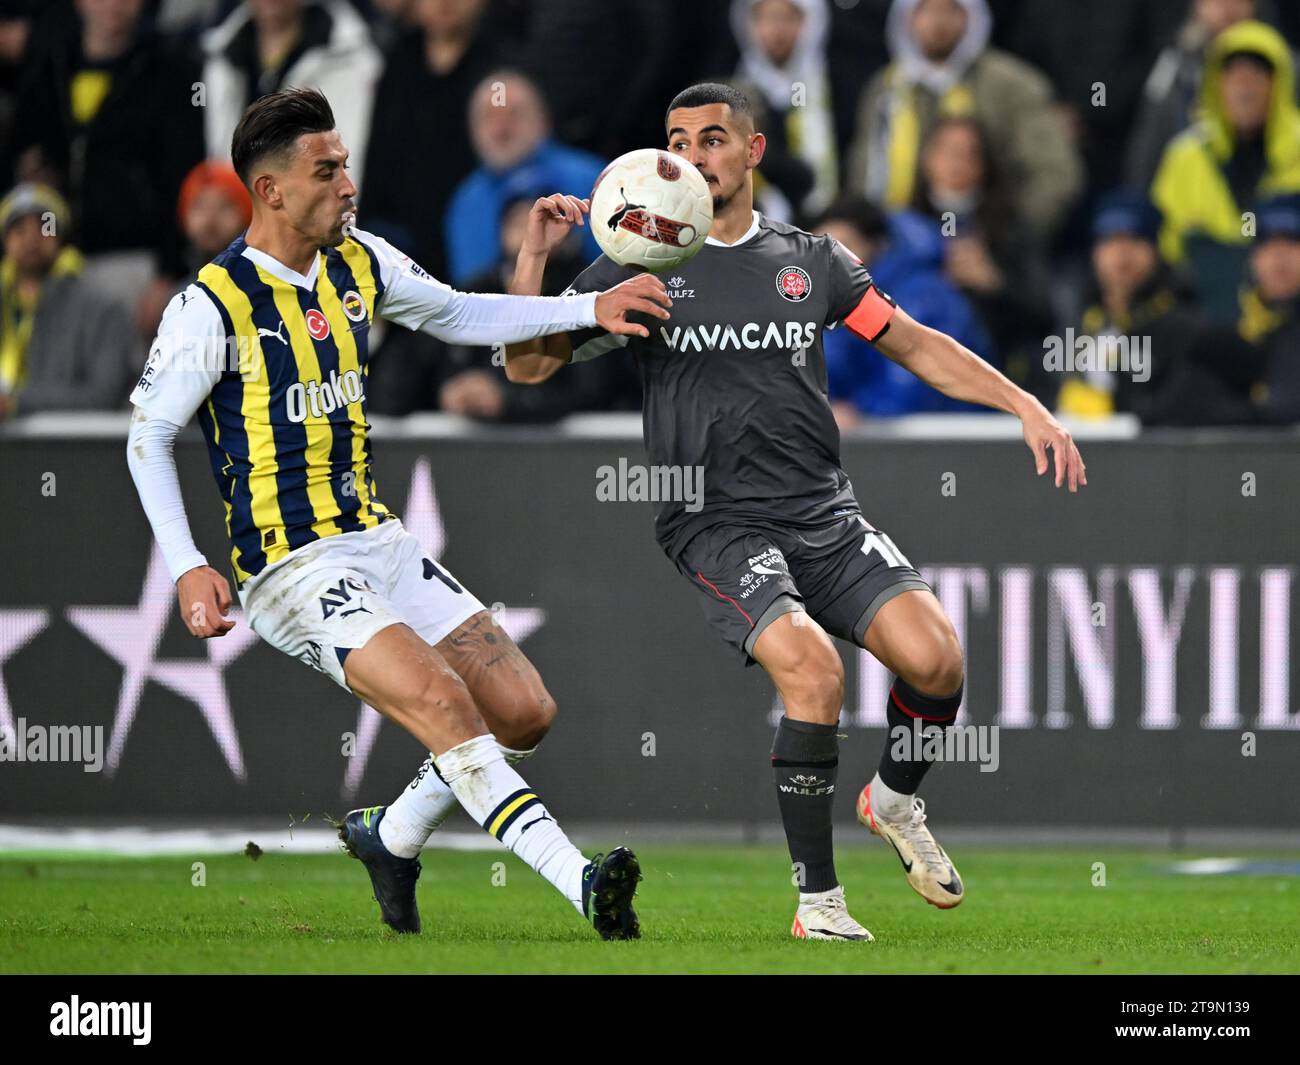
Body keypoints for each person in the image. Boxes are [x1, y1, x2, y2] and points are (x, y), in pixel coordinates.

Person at [504, 82, 1086, 941]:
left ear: (752, 152)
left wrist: (1023, 403)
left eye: (711, 139)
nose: (694, 156)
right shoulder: (642, 257)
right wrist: (534, 259)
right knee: (814, 673)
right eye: (678, 140)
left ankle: (892, 800)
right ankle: (819, 902)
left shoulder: (809, 260)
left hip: (822, 509)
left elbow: (914, 342)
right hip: (712, 517)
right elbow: (526, 369)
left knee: (937, 661)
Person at [125, 87, 670, 938]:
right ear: (269, 192)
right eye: (327, 170)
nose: (349, 183)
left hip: (377, 537)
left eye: (345, 164)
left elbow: (457, 312)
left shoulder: (361, 262)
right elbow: (147, 436)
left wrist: (583, 306)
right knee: (444, 699)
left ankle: (393, 834)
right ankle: (583, 879)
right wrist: (188, 562)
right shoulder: (212, 304)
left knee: (524, 710)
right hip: (291, 565)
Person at [846, 0, 1081, 242]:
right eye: (926, 10)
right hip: (897, 246)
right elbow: (862, 179)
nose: (938, 21)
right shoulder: (884, 88)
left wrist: (1007, 243)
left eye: (951, 9)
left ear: (973, 16)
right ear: (906, 18)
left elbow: (1055, 176)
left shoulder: (1013, 85)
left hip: (993, 244)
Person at [1150, 20, 1300, 282]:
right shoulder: (1186, 156)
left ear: (1279, 83)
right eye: (1233, 76)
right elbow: (1165, 242)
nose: (1244, 88)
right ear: (1215, 84)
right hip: (1202, 302)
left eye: (1256, 76)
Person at [444, 69, 604, 286]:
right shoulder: (467, 201)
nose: (500, 128)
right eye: (488, 117)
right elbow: (471, 295)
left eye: (514, 114)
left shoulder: (591, 178)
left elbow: (616, 271)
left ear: (544, 121)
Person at [0, 180, 135, 417]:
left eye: (45, 226)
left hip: (70, 449)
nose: (32, 238)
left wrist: (16, 403)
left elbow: (104, 395)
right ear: (5, 241)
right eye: (19, 229)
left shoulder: (103, 308)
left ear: (60, 237)